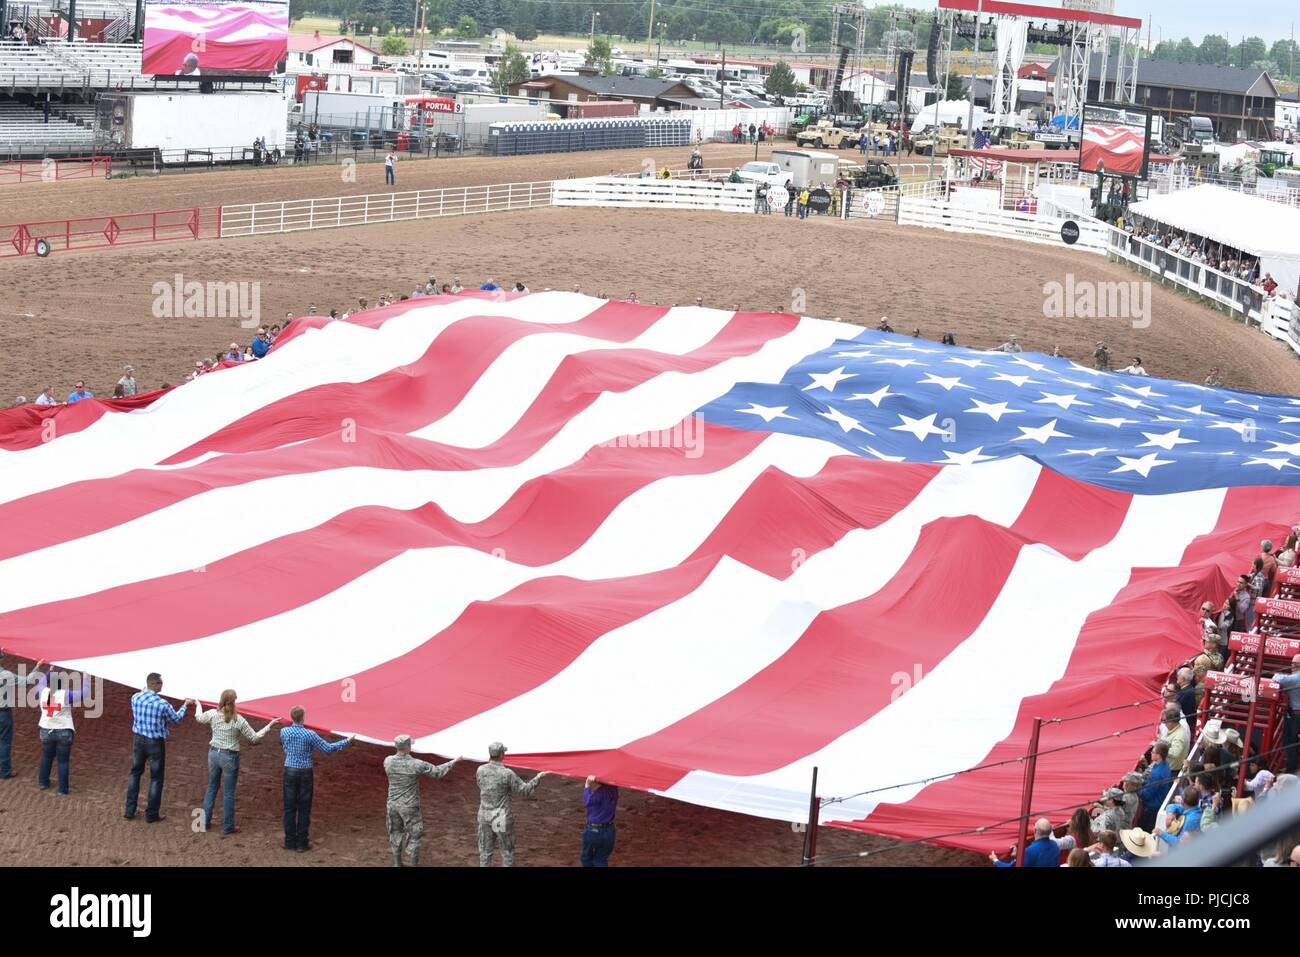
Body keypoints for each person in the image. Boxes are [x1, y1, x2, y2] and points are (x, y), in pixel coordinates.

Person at [195, 690, 277, 835]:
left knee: (212, 787)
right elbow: (254, 739)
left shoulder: (213, 714)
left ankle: (204, 822)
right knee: (228, 793)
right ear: (234, 701)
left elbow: (199, 718)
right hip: (229, 757)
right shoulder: (238, 720)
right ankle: (228, 827)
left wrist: (198, 704)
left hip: (214, 754)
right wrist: (269, 726)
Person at [279, 705, 353, 851]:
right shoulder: (310, 734)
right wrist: (347, 740)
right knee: (304, 807)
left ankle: (289, 841)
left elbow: (284, 745)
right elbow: (328, 749)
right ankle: (302, 843)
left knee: (289, 807)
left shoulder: (284, 731)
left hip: (290, 770)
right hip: (305, 771)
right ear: (303, 717)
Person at [125, 673, 192, 822]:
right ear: (155, 684)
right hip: (155, 742)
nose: (162, 685)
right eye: (160, 683)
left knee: (135, 773)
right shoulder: (162, 704)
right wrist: (185, 705)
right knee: (156, 778)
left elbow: (142, 692)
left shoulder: (135, 698)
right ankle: (152, 814)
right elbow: (176, 719)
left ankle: (129, 809)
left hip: (138, 739)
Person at [384, 735, 460, 867]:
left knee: (395, 832)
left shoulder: (388, 761)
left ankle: (397, 863)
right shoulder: (416, 764)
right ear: (408, 747)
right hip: (409, 805)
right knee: (414, 834)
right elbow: (437, 772)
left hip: (392, 804)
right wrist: (454, 761)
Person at [475, 741, 550, 867]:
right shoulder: (507, 773)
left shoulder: (480, 770)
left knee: (485, 853)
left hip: (484, 815)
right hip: (499, 816)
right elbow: (525, 790)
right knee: (507, 853)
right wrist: (538, 778)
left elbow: (480, 785)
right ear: (501, 755)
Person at [34, 668, 90, 795]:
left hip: (46, 730)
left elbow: (41, 682)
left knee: (46, 756)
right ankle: (62, 789)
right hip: (64, 731)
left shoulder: (43, 691)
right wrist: (85, 677)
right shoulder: (65, 694)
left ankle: (43, 782)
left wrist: (49, 671)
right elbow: (84, 693)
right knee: (63, 760)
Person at [0, 649, 47, 779]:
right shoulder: (6, 675)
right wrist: (37, 667)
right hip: (3, 713)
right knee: (4, 742)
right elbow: (26, 681)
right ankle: (4, 771)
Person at [581, 774, 619, 867]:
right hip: (609, 831)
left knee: (586, 857)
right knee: (600, 859)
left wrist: (587, 785)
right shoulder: (614, 790)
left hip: (594, 831)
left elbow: (587, 802)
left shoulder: (600, 793)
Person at [1273, 653, 1300, 774]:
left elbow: (1277, 678)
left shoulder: (1295, 678)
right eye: (1293, 663)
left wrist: (1278, 674)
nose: (1293, 666)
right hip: (1295, 713)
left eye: (1295, 664)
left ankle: (1291, 768)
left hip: (1296, 714)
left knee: (1289, 741)